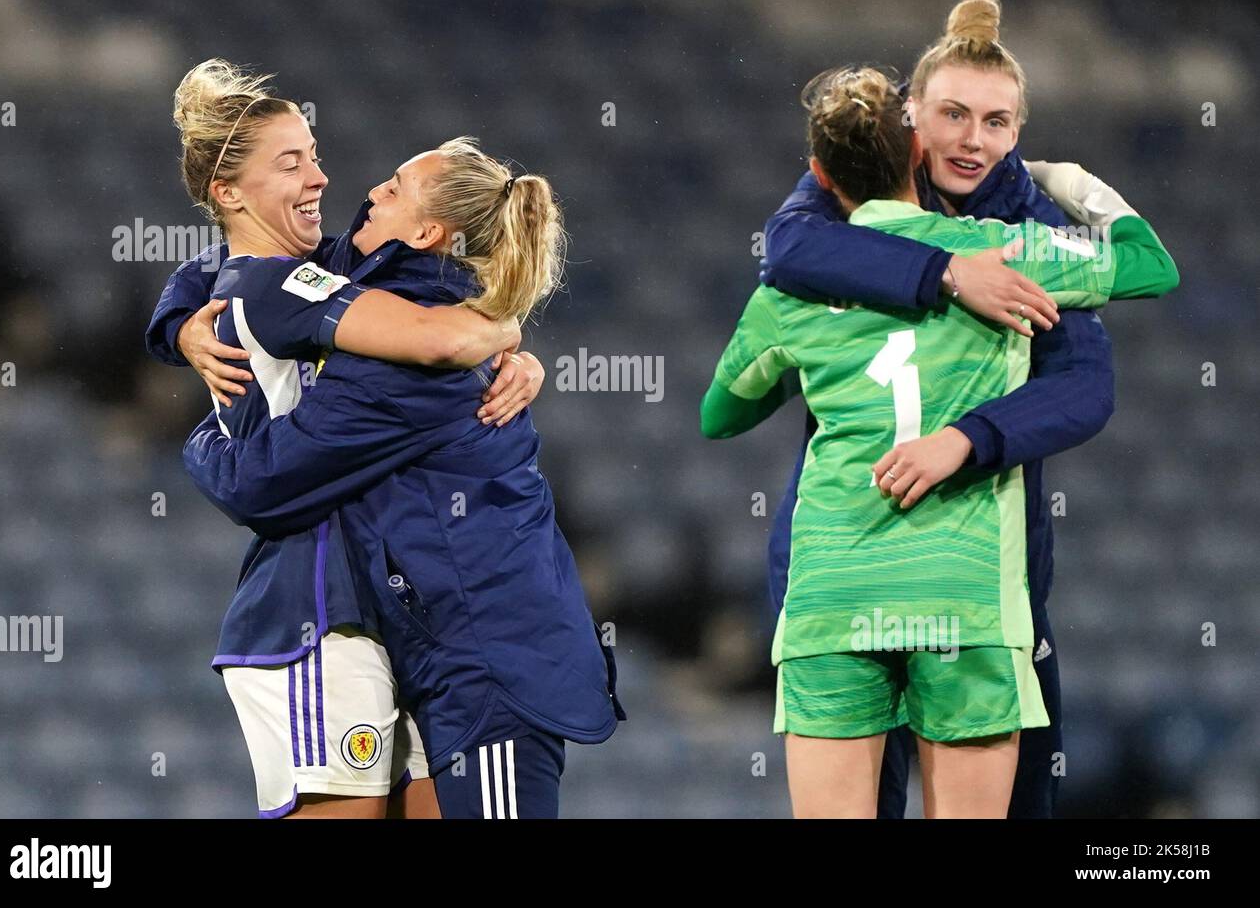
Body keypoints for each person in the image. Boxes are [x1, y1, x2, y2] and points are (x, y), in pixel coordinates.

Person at [701, 65, 1177, 818]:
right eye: (955, 115)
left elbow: (718, 413)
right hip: (969, 593)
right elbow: (1152, 267)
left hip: (836, 586)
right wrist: (968, 257)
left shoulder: (796, 274)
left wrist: (948, 428)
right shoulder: (1014, 251)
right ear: (916, 131)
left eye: (996, 121)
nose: (973, 139)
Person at [183, 137, 624, 819]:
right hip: (449, 663)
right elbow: (245, 267)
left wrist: (200, 436)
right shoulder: (403, 308)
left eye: (393, 187)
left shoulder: (408, 358)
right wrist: (181, 326)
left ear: (425, 232)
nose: (369, 193)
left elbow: (260, 481)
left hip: (487, 669)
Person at [151, 59, 544, 818]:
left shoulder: (310, 275)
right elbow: (432, 338)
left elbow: (213, 273)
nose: (323, 178)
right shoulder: (272, 285)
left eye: (316, 154)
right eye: (291, 161)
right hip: (311, 608)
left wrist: (516, 358)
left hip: (383, 613)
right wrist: (507, 325)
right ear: (228, 192)